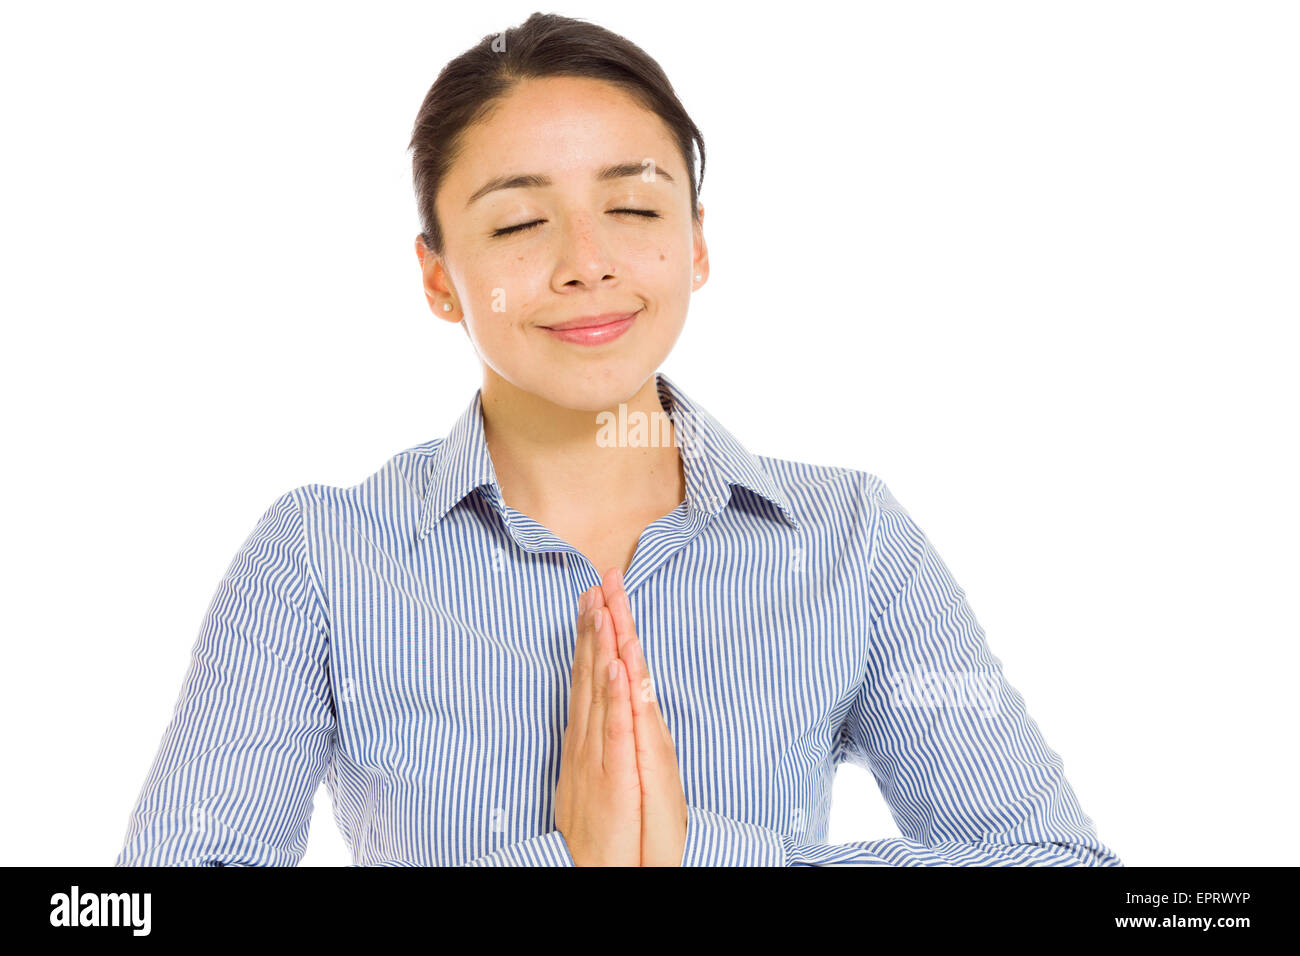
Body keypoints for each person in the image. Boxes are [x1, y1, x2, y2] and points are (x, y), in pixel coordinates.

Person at [115, 12, 1121, 867]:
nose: (586, 263)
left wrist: (695, 854)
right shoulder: (319, 555)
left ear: (695, 242)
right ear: (436, 277)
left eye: (633, 206)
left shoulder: (849, 537)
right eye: (518, 226)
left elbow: (1062, 866)